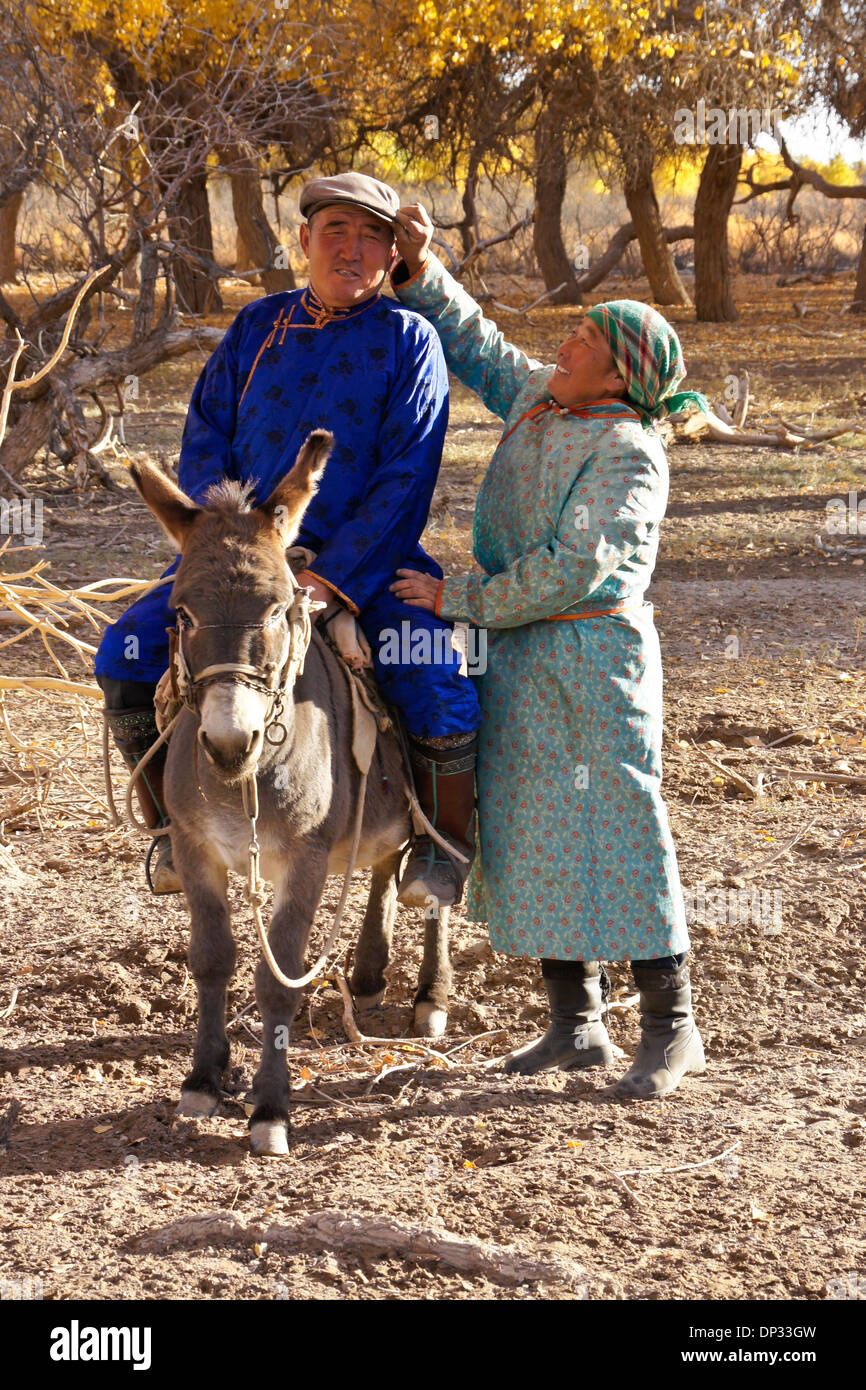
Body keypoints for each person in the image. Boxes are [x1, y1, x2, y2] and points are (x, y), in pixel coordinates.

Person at [388, 203, 706, 1099]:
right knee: (535, 829)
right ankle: (575, 1027)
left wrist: (459, 599)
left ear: (619, 372)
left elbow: (577, 569)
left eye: (580, 340)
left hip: (590, 667)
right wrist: (423, 267)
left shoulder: (630, 450)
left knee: (619, 829)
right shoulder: (545, 403)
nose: (560, 346)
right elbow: (480, 347)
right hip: (518, 661)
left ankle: (673, 1029)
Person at [96, 174, 480, 905]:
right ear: (304, 239)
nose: (353, 248)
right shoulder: (256, 326)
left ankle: (441, 848)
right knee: (126, 655)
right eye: (336, 230)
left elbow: (408, 477)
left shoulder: (411, 341)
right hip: (240, 565)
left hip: (370, 561)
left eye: (374, 236)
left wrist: (329, 582)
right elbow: (205, 437)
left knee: (434, 679)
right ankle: (170, 833)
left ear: (393, 252)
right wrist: (224, 546)